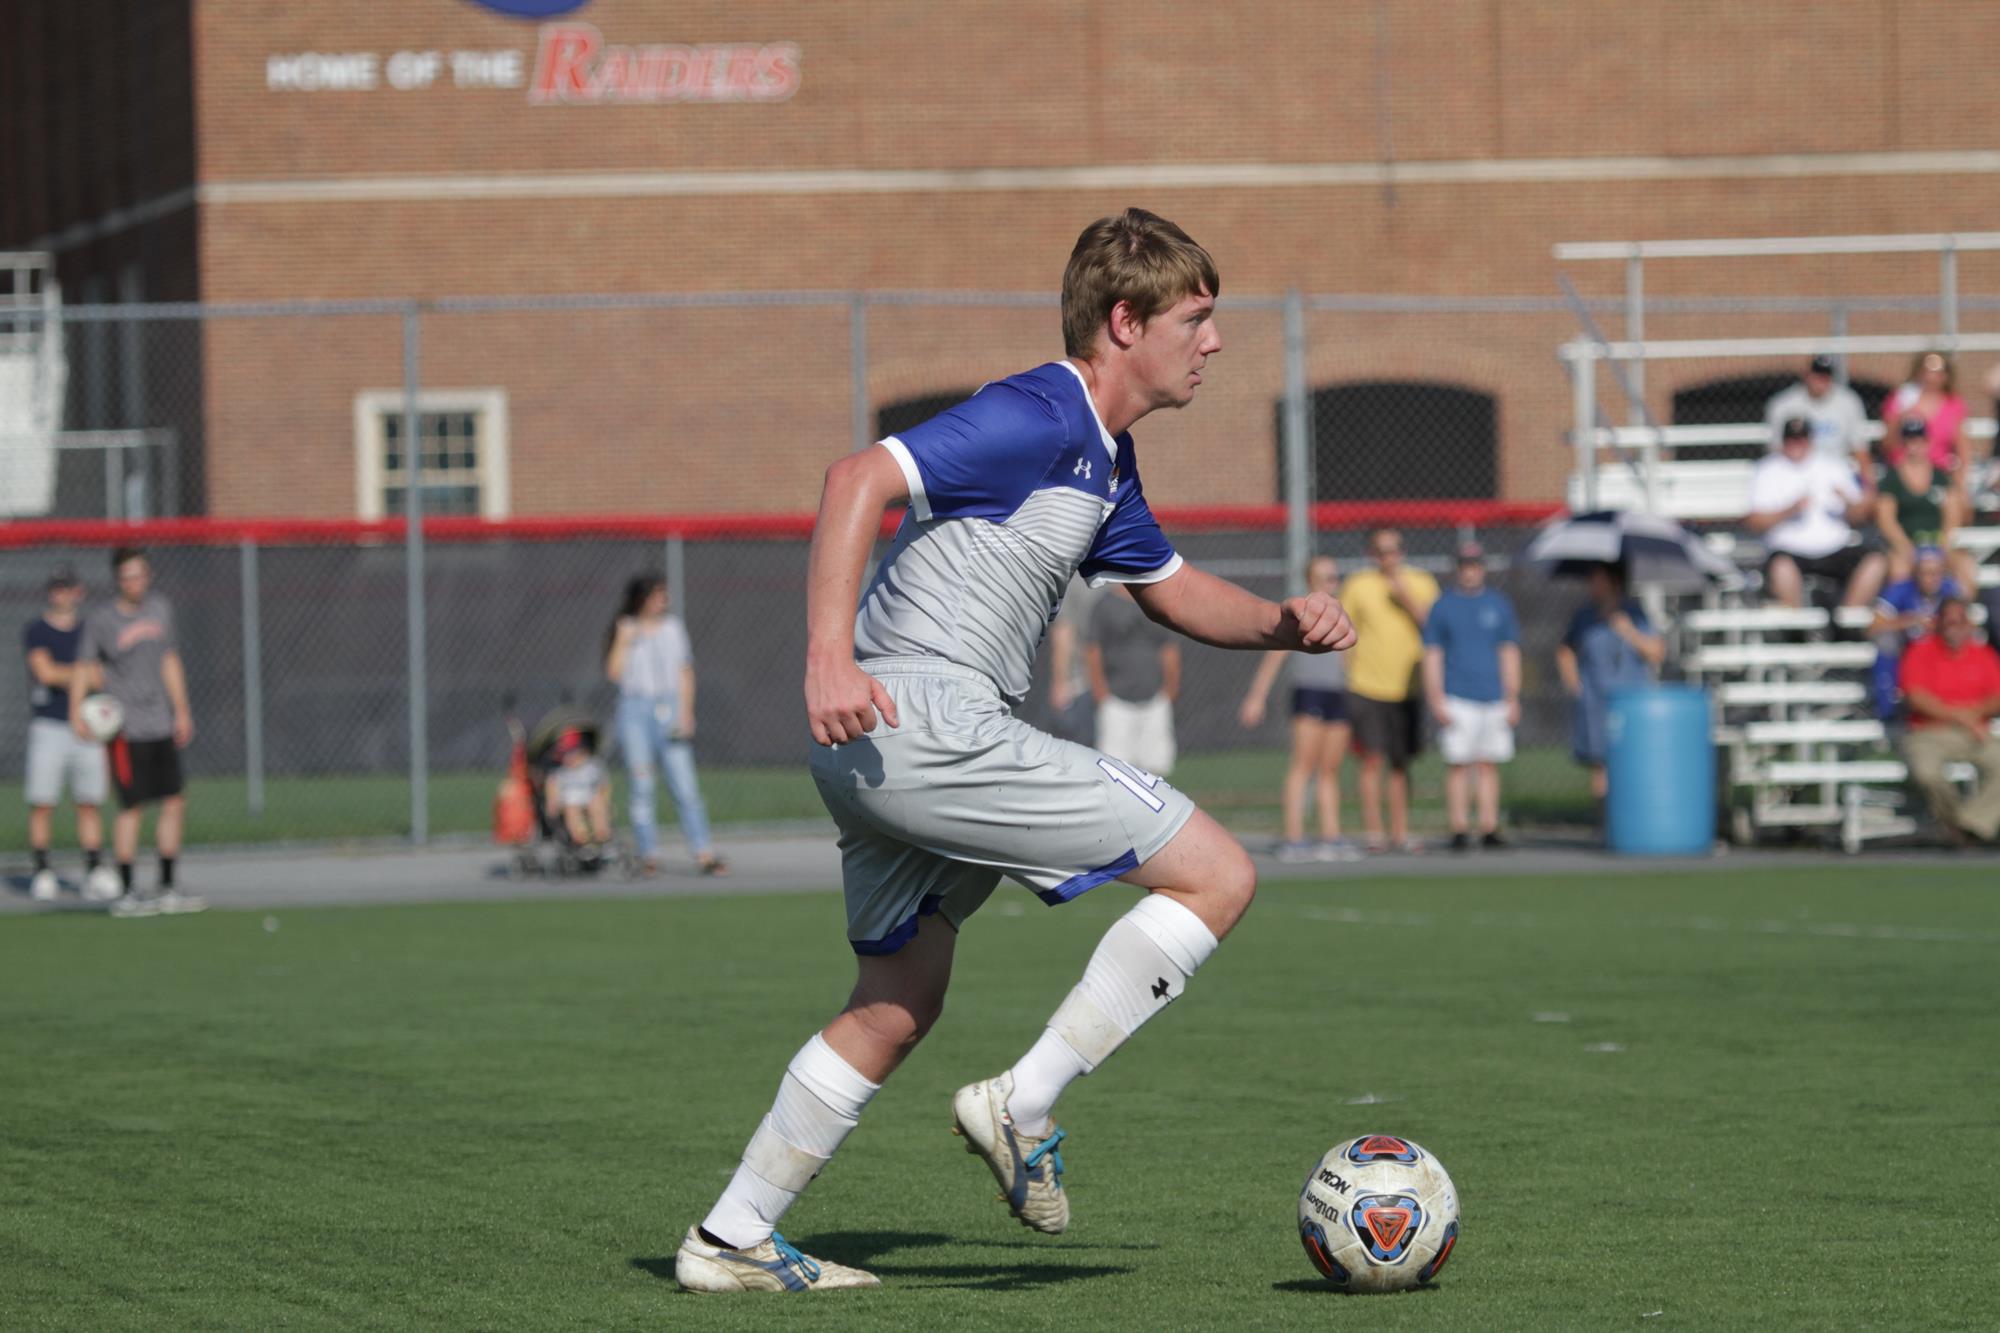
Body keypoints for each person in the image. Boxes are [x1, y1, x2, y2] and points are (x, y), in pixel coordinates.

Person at [674, 208, 1355, 1294]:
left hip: (888, 746)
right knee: (1218, 872)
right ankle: (1022, 1101)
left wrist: (1284, 620)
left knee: (896, 1000)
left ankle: (730, 1237)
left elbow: (1171, 589)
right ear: (1124, 320)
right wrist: (824, 658)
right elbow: (856, 480)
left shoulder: (1103, 457)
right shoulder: (1038, 413)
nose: (1215, 342)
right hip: (923, 723)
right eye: (1198, 317)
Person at [73, 547, 202, 917]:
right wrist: (77, 715)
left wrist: (181, 710)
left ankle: (166, 885)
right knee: (131, 807)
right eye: (128, 576)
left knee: (174, 802)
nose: (135, 582)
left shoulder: (160, 610)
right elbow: (84, 666)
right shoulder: (103, 620)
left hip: (160, 721)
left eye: (140, 574)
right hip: (125, 730)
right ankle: (127, 891)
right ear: (118, 580)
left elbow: (169, 659)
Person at [1238, 555, 1360, 862]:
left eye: (1335, 576)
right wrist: (1256, 696)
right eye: (1325, 578)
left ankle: (1331, 836)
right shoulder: (1301, 612)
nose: (1333, 582)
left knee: (1330, 769)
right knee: (1303, 765)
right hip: (1310, 693)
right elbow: (1274, 657)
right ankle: (1294, 838)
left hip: (1337, 693)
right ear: (1311, 581)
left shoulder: (1344, 610)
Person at [605, 574, 726, 876]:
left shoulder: (673, 629)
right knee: (642, 785)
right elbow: (615, 673)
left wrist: (686, 713)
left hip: (669, 707)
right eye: (657, 594)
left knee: (685, 785)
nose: (663, 599)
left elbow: (685, 671)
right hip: (635, 710)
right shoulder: (626, 627)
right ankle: (648, 854)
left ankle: (703, 851)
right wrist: (623, 639)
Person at [21, 565, 118, 903]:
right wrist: (80, 674)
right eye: (56, 588)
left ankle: (94, 868)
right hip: (49, 725)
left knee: (88, 801)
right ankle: (42, 869)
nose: (61, 594)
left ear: (79, 592)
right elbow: (44, 671)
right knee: (43, 802)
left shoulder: (91, 631)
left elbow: (102, 675)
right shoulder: (37, 630)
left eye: (68, 588)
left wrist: (79, 676)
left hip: (86, 727)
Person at [1340, 528, 1439, 853]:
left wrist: (1406, 597)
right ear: (1372, 554)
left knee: (1400, 762)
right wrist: (1348, 672)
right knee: (1371, 760)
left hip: (1407, 687)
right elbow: (1344, 632)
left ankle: (1400, 831)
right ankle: (1374, 832)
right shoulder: (1358, 584)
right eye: (1381, 551)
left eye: (1394, 550)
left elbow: (1434, 627)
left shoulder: (1422, 582)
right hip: (1367, 685)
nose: (1389, 557)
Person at [1420, 542, 1522, 852]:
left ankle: (1489, 826)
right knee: (1459, 763)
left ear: (1483, 567)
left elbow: (1509, 651)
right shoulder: (1443, 605)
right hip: (1458, 694)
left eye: (1475, 564)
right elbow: (1433, 653)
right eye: (1464, 565)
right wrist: (1436, 696)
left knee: (1488, 763)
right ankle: (1460, 827)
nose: (1470, 570)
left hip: (1493, 695)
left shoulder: (1498, 604)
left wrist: (1512, 695)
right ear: (1457, 568)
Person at [1745, 416, 1886, 609]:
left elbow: (1859, 517)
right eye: (1792, 439)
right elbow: (1754, 522)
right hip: (1790, 548)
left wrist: (1849, 503)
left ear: (1810, 440)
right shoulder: (1768, 469)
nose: (1797, 444)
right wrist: (1790, 510)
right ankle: (1796, 632)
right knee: (1781, 567)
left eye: (1801, 438)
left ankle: (1848, 624)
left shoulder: (1833, 466)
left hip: (1835, 546)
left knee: (1875, 561)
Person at [1556, 562, 1666, 802]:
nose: (1592, 586)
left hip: (1630, 701)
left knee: (1632, 761)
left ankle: (1632, 820)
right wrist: (1575, 684)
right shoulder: (1584, 616)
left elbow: (1656, 652)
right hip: (1596, 699)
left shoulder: (1635, 613)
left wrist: (1628, 630)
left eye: (1597, 579)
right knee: (1601, 764)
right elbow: (1566, 651)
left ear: (1612, 581)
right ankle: (1606, 827)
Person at [1897, 598, 2000, 845]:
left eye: (1959, 621)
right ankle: (1954, 825)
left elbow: (1997, 696)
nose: (1954, 627)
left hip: (1972, 733)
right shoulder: (1920, 652)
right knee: (1927, 772)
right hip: (1928, 732)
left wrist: (1971, 717)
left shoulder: (1982, 654)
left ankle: (1970, 825)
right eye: (1949, 621)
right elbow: (1917, 698)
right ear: (1939, 623)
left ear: (1968, 624)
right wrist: (1963, 717)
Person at [1085, 582, 1180, 775]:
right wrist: (1101, 693)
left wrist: (1169, 689)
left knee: (1157, 767)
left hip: (1154, 699)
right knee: (1115, 769)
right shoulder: (1104, 605)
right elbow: (1092, 650)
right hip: (1116, 700)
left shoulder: (1156, 602)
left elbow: (1169, 648)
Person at [1875, 416, 1978, 587]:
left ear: (1927, 441)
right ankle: (1906, 611)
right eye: (1909, 440)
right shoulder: (1891, 479)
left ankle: (1958, 610)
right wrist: (1909, 550)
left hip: (1938, 545)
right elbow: (1886, 520)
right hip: (1906, 547)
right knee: (1899, 570)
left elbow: (1953, 516)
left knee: (1965, 567)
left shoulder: (1941, 478)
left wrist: (1940, 548)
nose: (1914, 445)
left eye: (1919, 439)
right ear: (1903, 443)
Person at [1868, 546, 1962, 720]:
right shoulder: (1901, 589)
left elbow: (1962, 623)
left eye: (1935, 573)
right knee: (1885, 640)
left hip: (1938, 650)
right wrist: (1909, 621)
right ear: (1915, 573)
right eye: (1925, 573)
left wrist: (1937, 626)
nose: (1930, 579)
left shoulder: (1951, 589)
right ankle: (1888, 703)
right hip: (1907, 649)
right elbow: (1874, 626)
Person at [1764, 353, 1871, 478]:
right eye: (1817, 374)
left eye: (1826, 375)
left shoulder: (1848, 402)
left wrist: (1869, 486)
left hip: (1836, 472)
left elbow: (1860, 449)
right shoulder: (1784, 405)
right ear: (1806, 374)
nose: (1821, 380)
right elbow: (1776, 452)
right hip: (1796, 473)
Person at [1883, 350, 1973, 475]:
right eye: (1927, 370)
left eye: (1938, 372)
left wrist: (1960, 481)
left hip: (1939, 473)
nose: (1931, 377)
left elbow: (1962, 448)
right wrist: (1901, 415)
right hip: (1903, 473)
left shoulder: (1953, 403)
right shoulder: (1902, 399)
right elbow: (1888, 444)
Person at [1043, 576, 1100, 743]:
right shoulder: (1076, 580)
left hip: (1118, 682)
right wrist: (1061, 682)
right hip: (1083, 682)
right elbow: (1064, 631)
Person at [543, 726, 613, 855]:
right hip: (569, 800)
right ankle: (582, 839)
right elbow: (552, 786)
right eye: (564, 754)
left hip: (589, 797)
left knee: (596, 804)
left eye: (571, 753)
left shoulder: (592, 766)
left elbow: (603, 785)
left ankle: (602, 835)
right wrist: (552, 802)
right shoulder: (560, 772)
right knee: (571, 810)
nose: (567, 758)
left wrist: (604, 799)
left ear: (583, 752)